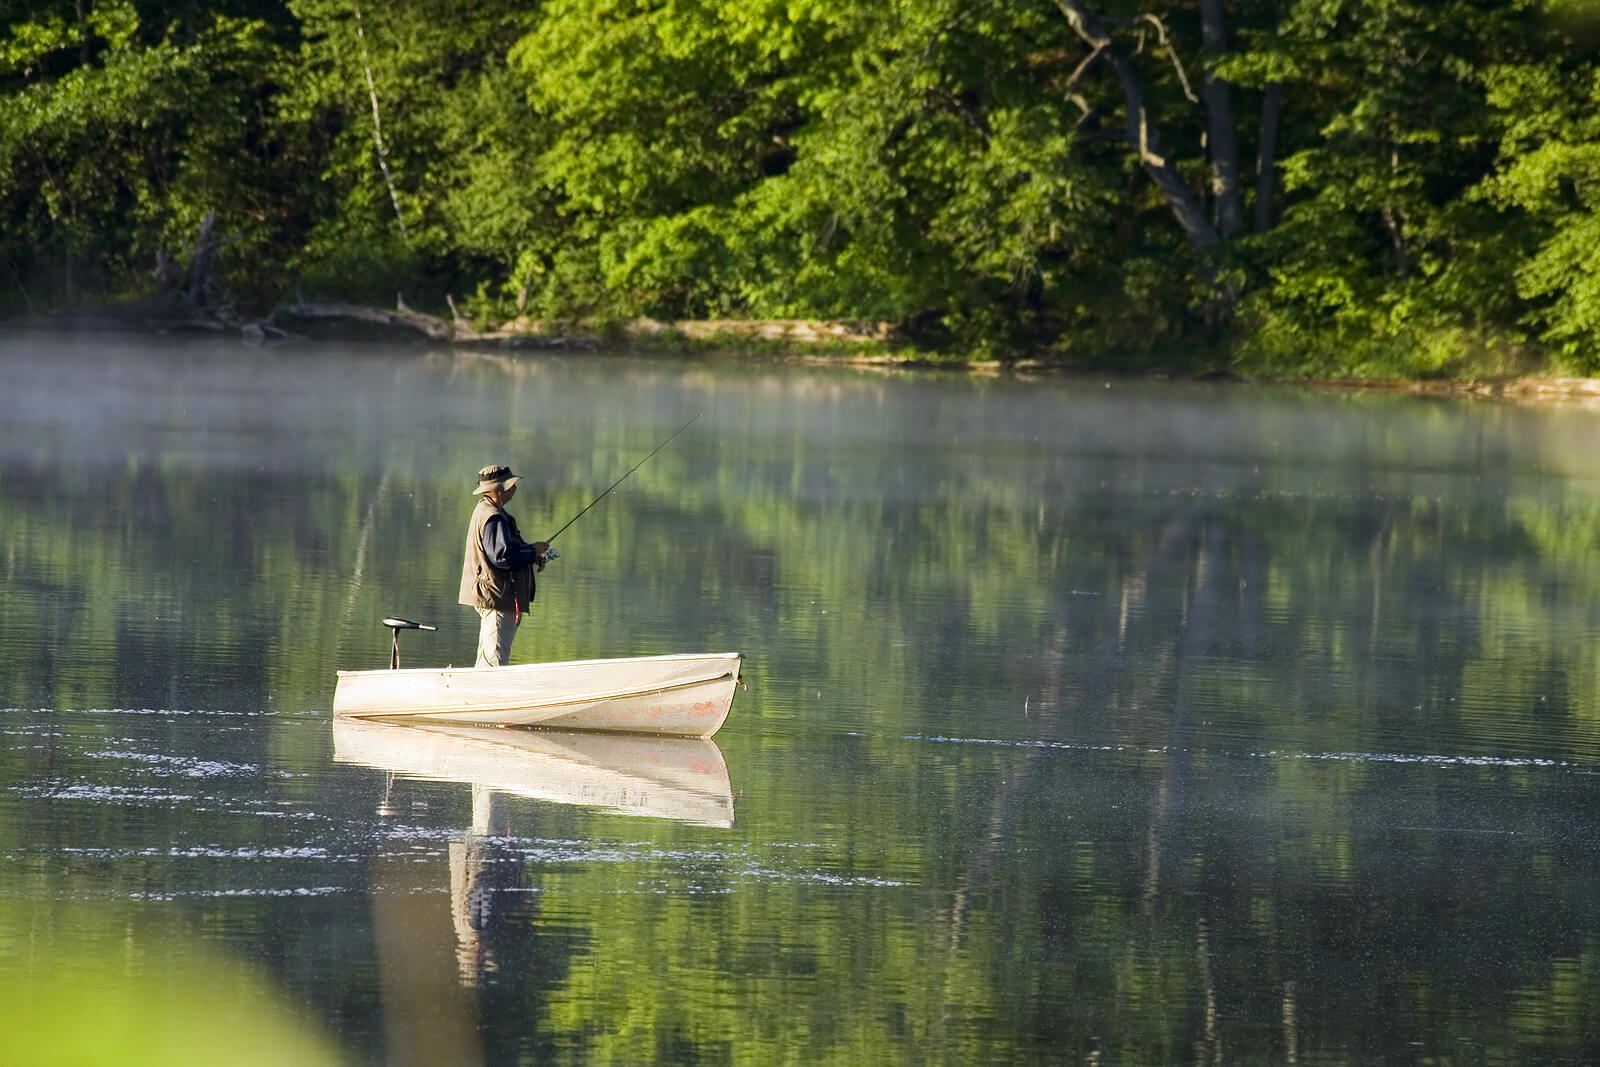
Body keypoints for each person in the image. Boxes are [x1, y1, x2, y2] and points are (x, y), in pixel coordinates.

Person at [459, 464, 549, 667]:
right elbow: (502, 557)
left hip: (495, 596)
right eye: (509, 486)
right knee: (495, 660)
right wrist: (532, 550)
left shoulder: (487, 511)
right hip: (498, 598)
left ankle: (479, 695)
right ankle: (491, 696)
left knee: (488, 658)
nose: (513, 489)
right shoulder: (493, 517)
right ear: (495, 490)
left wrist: (530, 555)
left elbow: (504, 552)